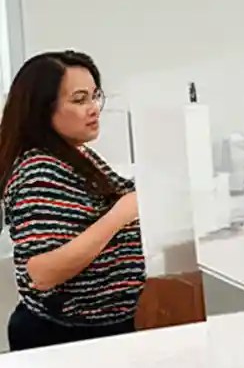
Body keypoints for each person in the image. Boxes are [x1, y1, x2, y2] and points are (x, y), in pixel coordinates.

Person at [0, 51, 143, 351]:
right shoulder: (38, 170)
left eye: (95, 96)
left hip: (101, 328)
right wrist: (119, 216)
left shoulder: (77, 154)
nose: (93, 109)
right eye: (79, 100)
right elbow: (41, 272)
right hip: (66, 337)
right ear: (43, 109)